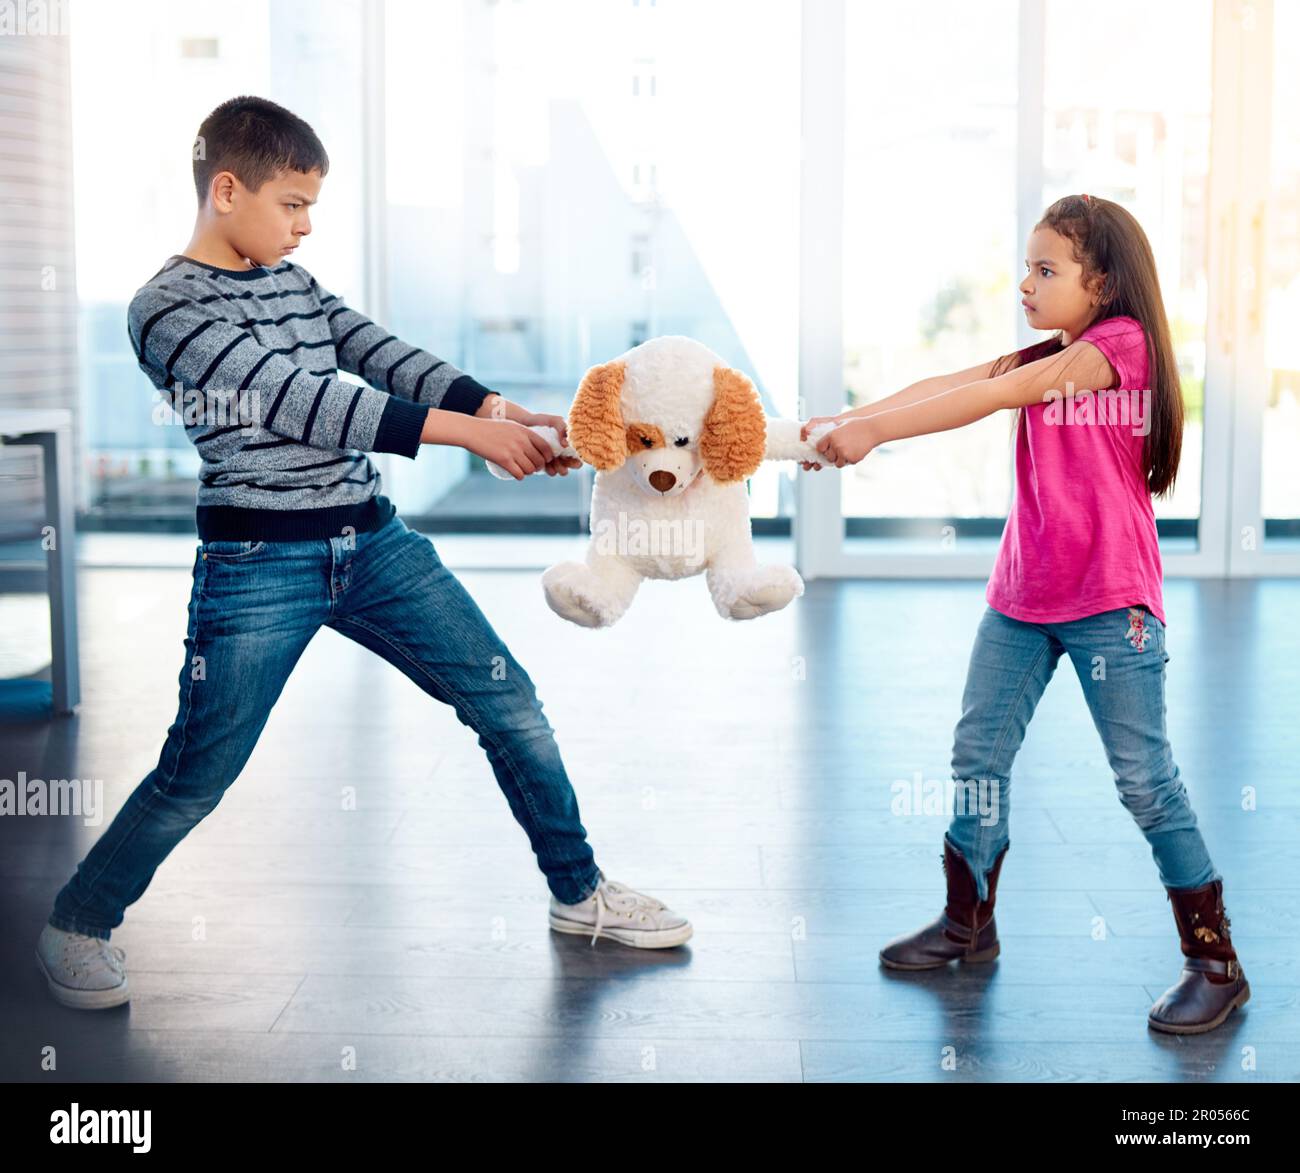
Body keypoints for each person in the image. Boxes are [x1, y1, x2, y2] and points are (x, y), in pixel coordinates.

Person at [37, 95, 691, 1010]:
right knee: (199, 771)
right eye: (292, 204)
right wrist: (466, 437)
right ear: (227, 190)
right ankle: (78, 919)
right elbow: (301, 398)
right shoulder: (165, 308)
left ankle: (579, 893)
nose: (306, 225)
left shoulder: (294, 283)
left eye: (312, 206)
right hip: (259, 561)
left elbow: (378, 354)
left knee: (509, 703)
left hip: (373, 544)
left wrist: (499, 410)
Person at [800, 194, 1248, 1035]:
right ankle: (968, 926)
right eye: (1027, 266)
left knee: (1145, 782)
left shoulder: (1117, 348)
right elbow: (961, 380)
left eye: (1047, 269)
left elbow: (999, 396)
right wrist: (853, 421)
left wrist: (877, 436)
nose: (1025, 282)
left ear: (1103, 281)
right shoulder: (1060, 346)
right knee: (977, 754)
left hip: (1110, 601)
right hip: (1023, 594)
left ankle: (1215, 961)